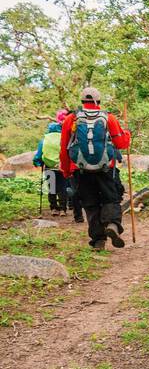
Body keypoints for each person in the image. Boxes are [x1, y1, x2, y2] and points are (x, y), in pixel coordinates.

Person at [60, 87, 131, 250]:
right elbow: (121, 144)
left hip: (80, 169)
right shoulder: (108, 118)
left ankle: (99, 240)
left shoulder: (71, 119)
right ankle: (112, 224)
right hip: (106, 168)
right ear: (98, 101)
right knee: (111, 198)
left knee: (90, 203)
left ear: (82, 101)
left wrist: (66, 170)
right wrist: (126, 134)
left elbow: (64, 147)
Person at [32, 116, 65, 213]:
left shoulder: (44, 140)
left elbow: (38, 155)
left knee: (52, 188)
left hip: (49, 167)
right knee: (62, 187)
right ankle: (63, 208)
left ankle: (54, 208)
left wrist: (37, 162)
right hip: (61, 167)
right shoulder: (63, 138)